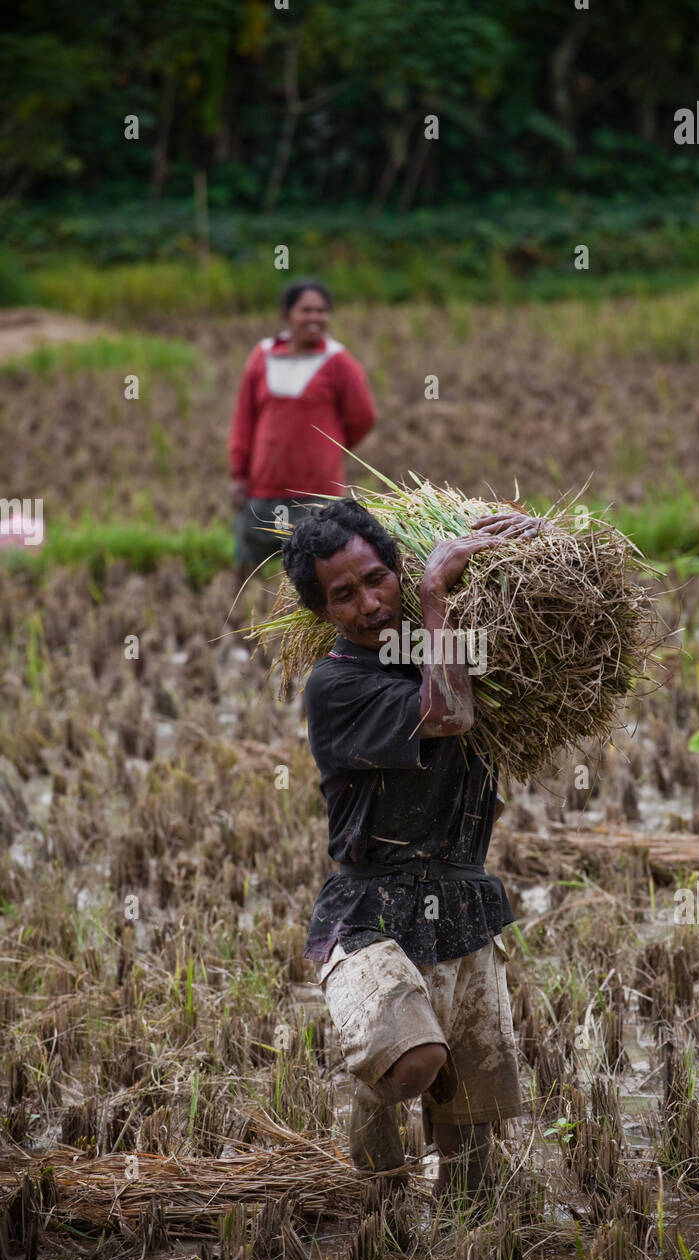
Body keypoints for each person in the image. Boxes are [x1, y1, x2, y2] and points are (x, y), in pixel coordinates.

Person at [281, 497, 543, 1200]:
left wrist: (527, 535)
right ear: (323, 613)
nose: (369, 603)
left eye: (378, 579)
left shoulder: (451, 643)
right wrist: (432, 593)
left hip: (463, 902)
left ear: (395, 564)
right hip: (373, 910)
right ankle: (375, 1175)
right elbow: (448, 712)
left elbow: (534, 598)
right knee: (414, 1062)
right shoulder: (339, 686)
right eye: (344, 595)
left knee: (473, 1143)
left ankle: (464, 1248)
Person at [228, 280, 377, 589]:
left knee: (312, 576)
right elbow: (245, 419)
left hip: (316, 493)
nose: (315, 318)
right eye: (306, 310)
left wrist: (327, 448)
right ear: (287, 315)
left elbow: (363, 417)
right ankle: (240, 625)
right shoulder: (263, 355)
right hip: (263, 487)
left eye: (322, 311)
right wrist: (239, 474)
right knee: (249, 566)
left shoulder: (338, 362)